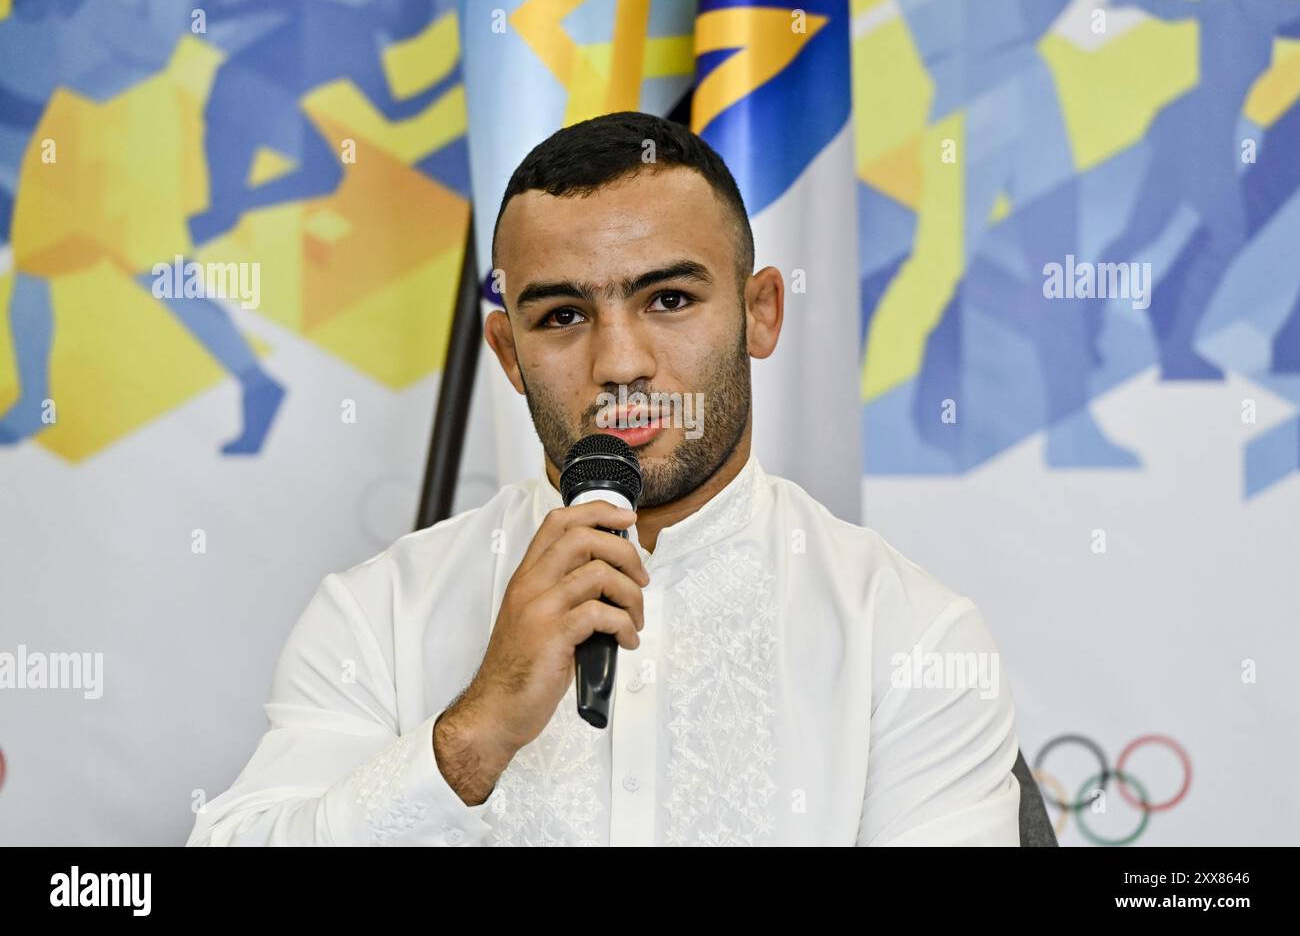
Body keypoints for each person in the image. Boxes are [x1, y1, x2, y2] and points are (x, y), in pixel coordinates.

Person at [187, 111, 1022, 846]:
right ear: (510, 354)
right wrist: (474, 732)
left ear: (760, 312)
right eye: (563, 317)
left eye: (668, 300)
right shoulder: (380, 614)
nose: (620, 364)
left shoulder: (910, 636)